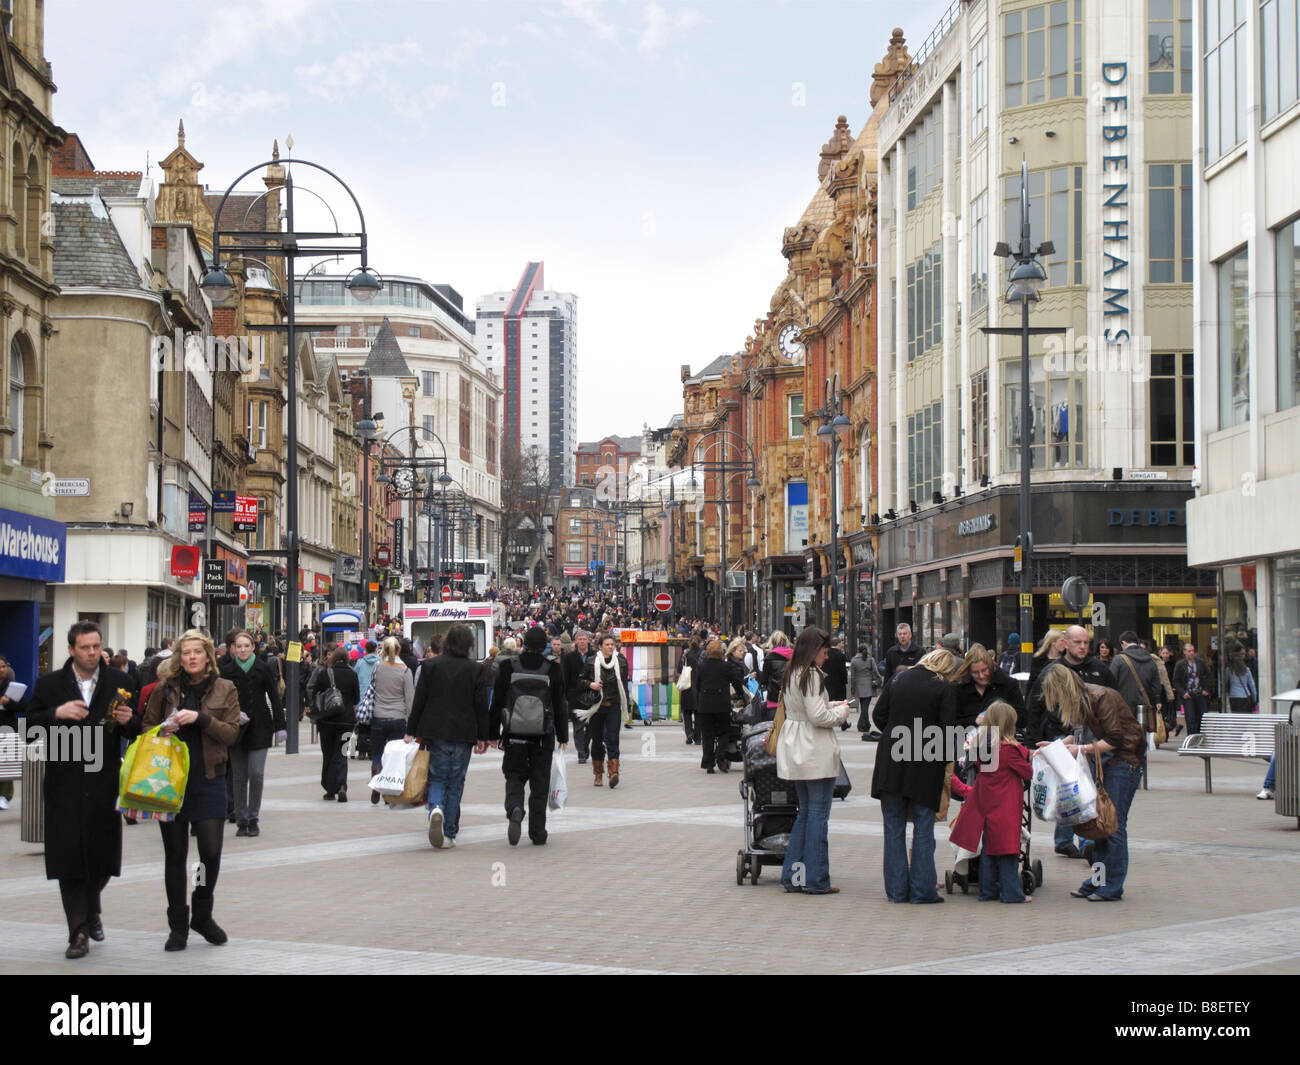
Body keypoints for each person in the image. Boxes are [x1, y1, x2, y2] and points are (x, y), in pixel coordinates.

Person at [27, 621, 139, 958]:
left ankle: (91, 908)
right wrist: (56, 713)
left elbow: (136, 728)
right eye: (85, 648)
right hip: (65, 781)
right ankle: (78, 932)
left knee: (103, 859)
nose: (92, 653)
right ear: (71, 650)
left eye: (96, 646)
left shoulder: (119, 681)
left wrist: (127, 721)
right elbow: (30, 728)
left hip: (103, 780)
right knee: (69, 860)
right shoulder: (50, 685)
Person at [143, 629, 241, 950]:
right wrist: (163, 731)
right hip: (170, 781)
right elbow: (146, 729)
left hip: (208, 779)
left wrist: (200, 719)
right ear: (178, 657)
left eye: (197, 652)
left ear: (208, 655)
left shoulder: (225, 688)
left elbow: (230, 734)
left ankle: (201, 910)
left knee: (208, 854)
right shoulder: (165, 688)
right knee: (175, 855)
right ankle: (178, 925)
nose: (191, 658)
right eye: (185, 653)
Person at [1036, 664, 1146, 901]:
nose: (1053, 701)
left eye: (1053, 695)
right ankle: (1099, 881)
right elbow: (1081, 733)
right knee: (1100, 826)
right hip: (1107, 763)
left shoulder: (1100, 696)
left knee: (1112, 825)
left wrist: (1080, 748)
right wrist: (1061, 745)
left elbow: (1115, 738)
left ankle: (1111, 886)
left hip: (1122, 762)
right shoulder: (1084, 700)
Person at [870, 647, 960, 904]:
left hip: (892, 761)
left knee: (893, 828)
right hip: (925, 764)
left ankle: (897, 891)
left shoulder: (898, 679)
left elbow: (878, 715)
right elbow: (948, 732)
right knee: (923, 827)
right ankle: (922, 891)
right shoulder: (943, 688)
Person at [776, 627, 851, 894]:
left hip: (796, 747)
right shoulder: (811, 676)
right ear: (813, 649)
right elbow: (818, 718)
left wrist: (832, 706)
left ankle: (794, 876)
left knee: (805, 815)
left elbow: (807, 710)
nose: (826, 656)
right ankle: (816, 879)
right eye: (824, 651)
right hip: (814, 749)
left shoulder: (793, 672)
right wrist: (841, 712)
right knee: (818, 816)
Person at [407, 624, 490, 849]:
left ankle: (435, 808)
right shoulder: (475, 670)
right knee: (456, 781)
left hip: (435, 731)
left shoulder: (431, 666)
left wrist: (411, 731)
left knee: (436, 778)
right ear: (469, 644)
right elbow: (481, 705)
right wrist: (484, 736)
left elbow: (420, 701)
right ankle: (450, 832)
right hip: (464, 733)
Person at [947, 702, 1033, 903]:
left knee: (988, 849)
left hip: (986, 802)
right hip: (1007, 805)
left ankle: (987, 891)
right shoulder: (1010, 751)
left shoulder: (981, 747)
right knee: (1009, 849)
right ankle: (1012, 893)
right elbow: (1027, 772)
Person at [490, 625, 568, 845]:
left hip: (514, 734)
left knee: (514, 776)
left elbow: (497, 702)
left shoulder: (508, 666)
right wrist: (563, 735)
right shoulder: (552, 669)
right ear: (543, 647)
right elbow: (559, 705)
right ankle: (537, 832)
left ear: (522, 644)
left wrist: (491, 733)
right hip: (543, 736)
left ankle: (515, 808)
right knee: (539, 783)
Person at [219, 630, 285, 838]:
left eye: (246, 646)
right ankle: (241, 819)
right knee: (238, 776)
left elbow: (274, 697)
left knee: (256, 773)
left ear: (253, 647)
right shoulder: (226, 670)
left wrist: (280, 726)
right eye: (239, 646)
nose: (243, 650)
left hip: (259, 727)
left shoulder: (263, 668)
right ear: (233, 649)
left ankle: (253, 817)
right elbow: (219, 699)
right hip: (235, 728)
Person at [306, 647, 360, 801]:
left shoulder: (324, 673)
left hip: (327, 721)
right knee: (342, 753)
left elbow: (315, 694)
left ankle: (330, 789)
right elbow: (356, 699)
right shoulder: (352, 674)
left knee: (328, 754)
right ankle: (342, 785)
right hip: (346, 721)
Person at [368, 637, 415, 804]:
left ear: (384, 650)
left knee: (378, 754)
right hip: (398, 718)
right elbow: (410, 699)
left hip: (379, 716)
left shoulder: (377, 667)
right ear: (399, 650)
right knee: (393, 758)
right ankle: (389, 794)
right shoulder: (405, 671)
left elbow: (372, 689)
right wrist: (411, 722)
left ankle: (375, 778)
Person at [580, 633, 629, 788]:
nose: (610, 647)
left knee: (613, 738)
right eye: (607, 644)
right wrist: (590, 684)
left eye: (612, 644)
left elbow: (624, 684)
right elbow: (580, 680)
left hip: (613, 705)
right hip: (596, 707)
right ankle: (598, 774)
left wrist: (624, 704)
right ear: (600, 646)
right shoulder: (590, 661)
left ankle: (614, 773)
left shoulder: (621, 661)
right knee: (597, 741)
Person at [694, 639, 748, 774]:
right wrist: (742, 696)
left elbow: (697, 685)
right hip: (721, 705)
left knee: (707, 735)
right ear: (721, 653)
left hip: (705, 705)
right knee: (725, 732)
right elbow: (736, 683)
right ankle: (720, 756)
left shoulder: (701, 666)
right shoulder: (725, 667)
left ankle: (708, 763)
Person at [953, 644, 1025, 730]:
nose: (981, 676)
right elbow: (953, 722)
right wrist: (974, 721)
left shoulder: (1008, 685)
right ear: (969, 672)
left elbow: (1023, 718)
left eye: (984, 670)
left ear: (991, 667)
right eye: (975, 672)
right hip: (969, 740)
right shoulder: (960, 689)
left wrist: (1000, 717)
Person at [1110, 631, 1163, 736]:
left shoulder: (1119, 660)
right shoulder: (1151, 660)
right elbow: (1156, 686)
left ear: (1124, 643)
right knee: (1141, 737)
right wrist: (1156, 700)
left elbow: (1111, 683)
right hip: (1144, 705)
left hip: (1123, 706)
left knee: (1126, 738)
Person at [0, 654, 30, 810]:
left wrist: (8, 702)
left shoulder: (12, 686)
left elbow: (24, 707)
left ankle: (4, 796)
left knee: (5, 762)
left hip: (7, 727)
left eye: (4, 666)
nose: (2, 670)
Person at [563, 630, 594, 765]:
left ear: (588, 640)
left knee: (592, 726)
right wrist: (566, 695)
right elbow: (565, 677)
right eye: (579, 639)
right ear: (575, 641)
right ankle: (581, 751)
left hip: (591, 694)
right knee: (578, 726)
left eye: (584, 639)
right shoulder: (569, 657)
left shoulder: (595, 655)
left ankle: (586, 746)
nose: (582, 641)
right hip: (575, 695)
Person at [1172, 642, 1211, 737]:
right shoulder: (1180, 664)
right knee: (1190, 718)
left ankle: (1200, 737)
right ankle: (1191, 737)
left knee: (1202, 717)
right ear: (1184, 652)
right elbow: (1176, 681)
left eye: (1193, 651)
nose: (1191, 653)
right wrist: (1183, 692)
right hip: (1188, 694)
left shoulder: (1200, 662)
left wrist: (1206, 689)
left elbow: (1208, 676)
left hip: (1200, 693)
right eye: (1189, 651)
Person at [850, 644, 883, 741]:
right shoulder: (870, 660)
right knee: (865, 706)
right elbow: (875, 672)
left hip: (859, 685)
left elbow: (852, 676)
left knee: (863, 706)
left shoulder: (854, 661)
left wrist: (852, 689)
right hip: (869, 685)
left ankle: (863, 725)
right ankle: (864, 725)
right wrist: (879, 680)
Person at [760, 630, 793, 720]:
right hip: (792, 699)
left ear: (772, 642)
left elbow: (764, 680)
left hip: (774, 699)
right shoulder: (794, 657)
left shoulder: (769, 658)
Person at [677, 636, 703, 744]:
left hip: (687, 685)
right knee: (698, 713)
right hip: (699, 686)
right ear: (700, 642)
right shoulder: (703, 654)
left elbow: (679, 669)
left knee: (687, 712)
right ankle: (697, 737)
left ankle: (689, 733)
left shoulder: (685, 654)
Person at [824, 635, 850, 730]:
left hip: (827, 682)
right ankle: (843, 723)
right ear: (839, 644)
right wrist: (845, 681)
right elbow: (843, 670)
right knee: (842, 702)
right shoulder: (840, 655)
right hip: (839, 683)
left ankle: (826, 720)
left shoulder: (826, 654)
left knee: (828, 701)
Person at [1224, 640, 1257, 713]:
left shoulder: (1229, 670)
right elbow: (1252, 686)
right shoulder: (1246, 670)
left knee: (1235, 716)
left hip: (1233, 695)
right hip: (1245, 695)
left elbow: (1225, 681)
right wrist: (1254, 698)